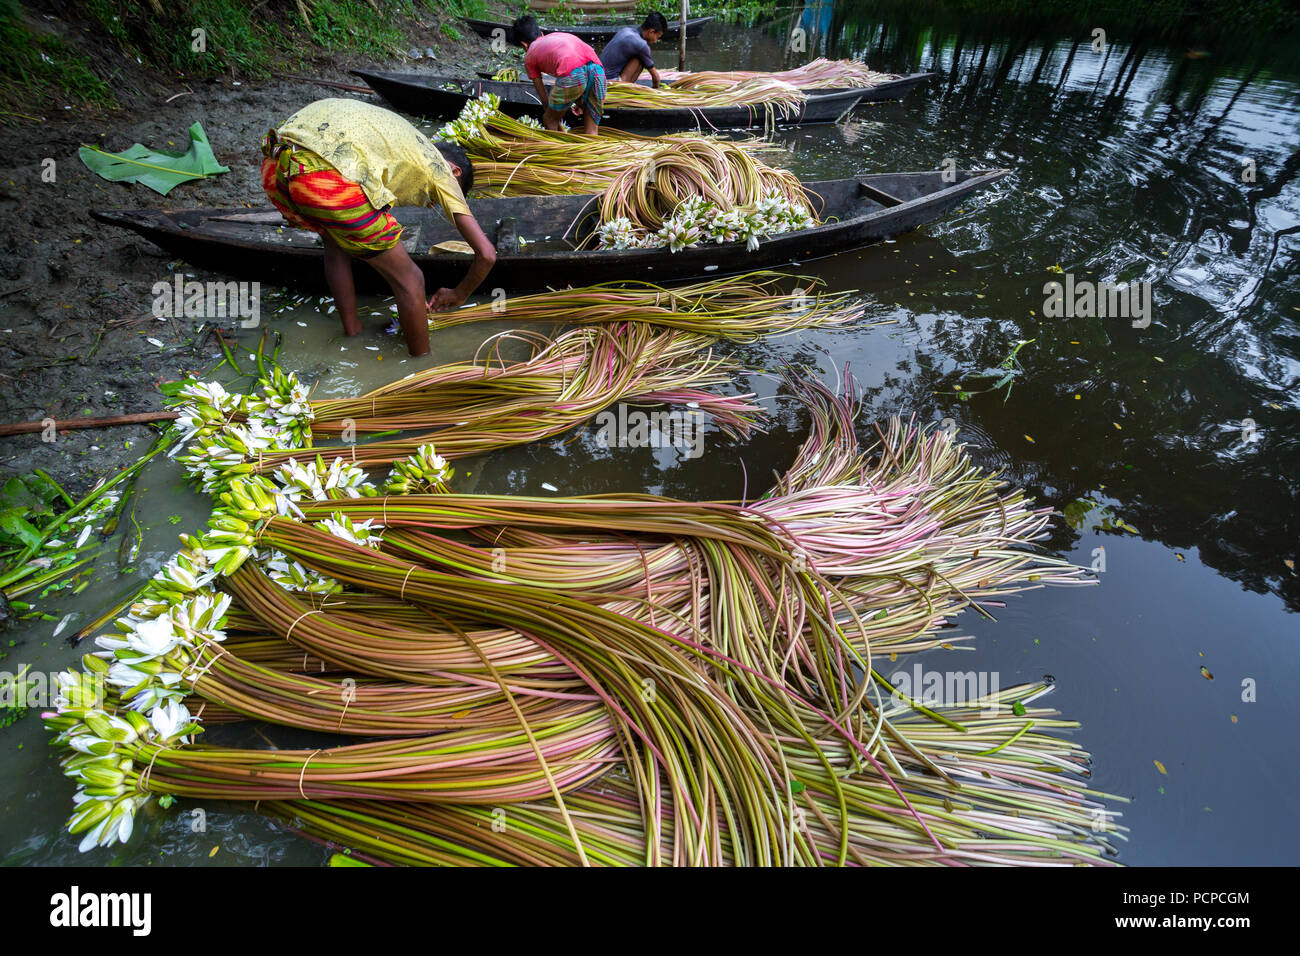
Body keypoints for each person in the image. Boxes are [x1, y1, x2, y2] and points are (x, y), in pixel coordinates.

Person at [260, 98, 495, 357]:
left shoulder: (409, 142)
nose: (431, 205)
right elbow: (486, 254)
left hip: (278, 166)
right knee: (412, 280)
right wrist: (459, 294)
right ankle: (420, 366)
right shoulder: (441, 169)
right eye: (438, 201)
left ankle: (353, 334)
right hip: (325, 179)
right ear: (455, 171)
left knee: (334, 241)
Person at [511, 14, 606, 135]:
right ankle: (591, 153)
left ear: (524, 44)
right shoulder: (555, 37)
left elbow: (545, 103)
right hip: (598, 70)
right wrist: (579, 101)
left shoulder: (530, 55)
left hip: (574, 74)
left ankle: (558, 151)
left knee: (549, 119)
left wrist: (554, 118)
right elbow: (584, 68)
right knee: (592, 131)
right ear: (540, 33)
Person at [600, 13, 667, 87]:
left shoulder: (626, 30)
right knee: (643, 55)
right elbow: (656, 77)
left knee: (642, 54)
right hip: (610, 84)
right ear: (651, 32)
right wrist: (657, 90)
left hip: (600, 78)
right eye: (658, 36)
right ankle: (625, 86)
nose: (656, 41)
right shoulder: (641, 45)